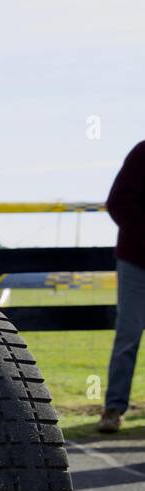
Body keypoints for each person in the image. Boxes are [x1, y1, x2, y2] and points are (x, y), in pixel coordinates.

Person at [101, 140, 145, 433]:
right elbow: (116, 202)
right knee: (128, 337)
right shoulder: (142, 154)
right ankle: (113, 410)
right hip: (136, 261)